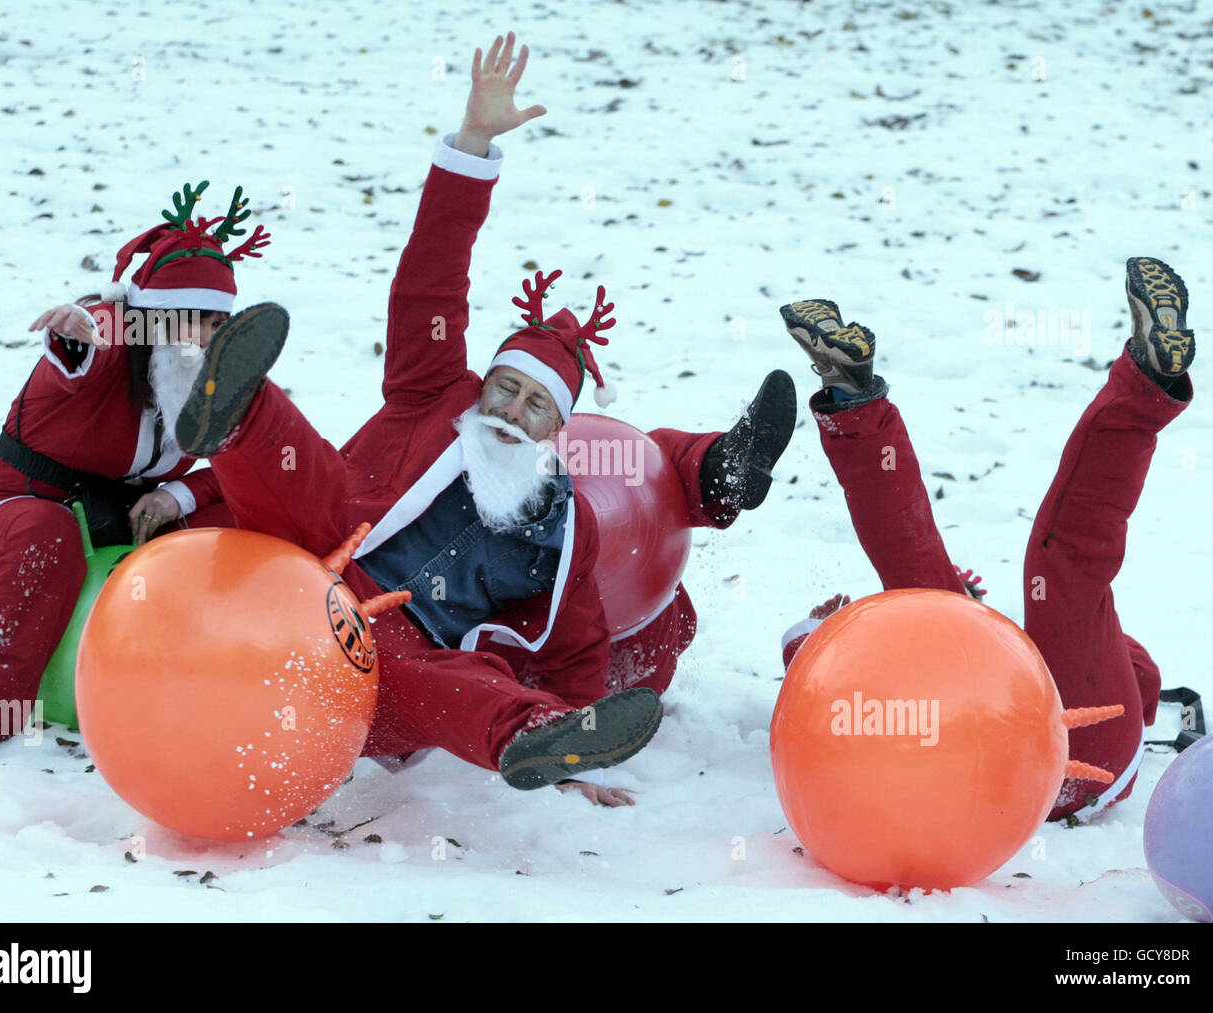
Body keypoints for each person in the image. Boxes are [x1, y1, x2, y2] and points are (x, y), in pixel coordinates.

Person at [162, 33, 796, 802]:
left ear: (556, 432)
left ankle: (532, 739)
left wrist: (578, 729)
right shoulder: (435, 391)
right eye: (502, 387)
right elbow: (429, 285)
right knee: (314, 482)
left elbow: (573, 640)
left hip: (385, 645)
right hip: (308, 555)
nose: (507, 410)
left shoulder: (560, 524)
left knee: (437, 677)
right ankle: (233, 408)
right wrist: (472, 148)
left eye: (533, 405)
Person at [777, 256, 1195, 822]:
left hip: (984, 752)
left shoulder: (887, 662)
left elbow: (823, 708)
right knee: (1043, 566)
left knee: (964, 588)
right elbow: (1142, 678)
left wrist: (816, 638)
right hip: (1076, 753)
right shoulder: (896, 652)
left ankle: (852, 398)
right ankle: (853, 399)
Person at [0, 185, 268, 757]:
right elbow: (87, 343)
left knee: (243, 514)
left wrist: (178, 498)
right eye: (185, 318)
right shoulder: (111, 342)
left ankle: (211, 671)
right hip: (5, 529)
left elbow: (251, 468)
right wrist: (76, 329)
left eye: (215, 322)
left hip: (118, 532)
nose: (200, 336)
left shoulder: (214, 382)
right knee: (48, 530)